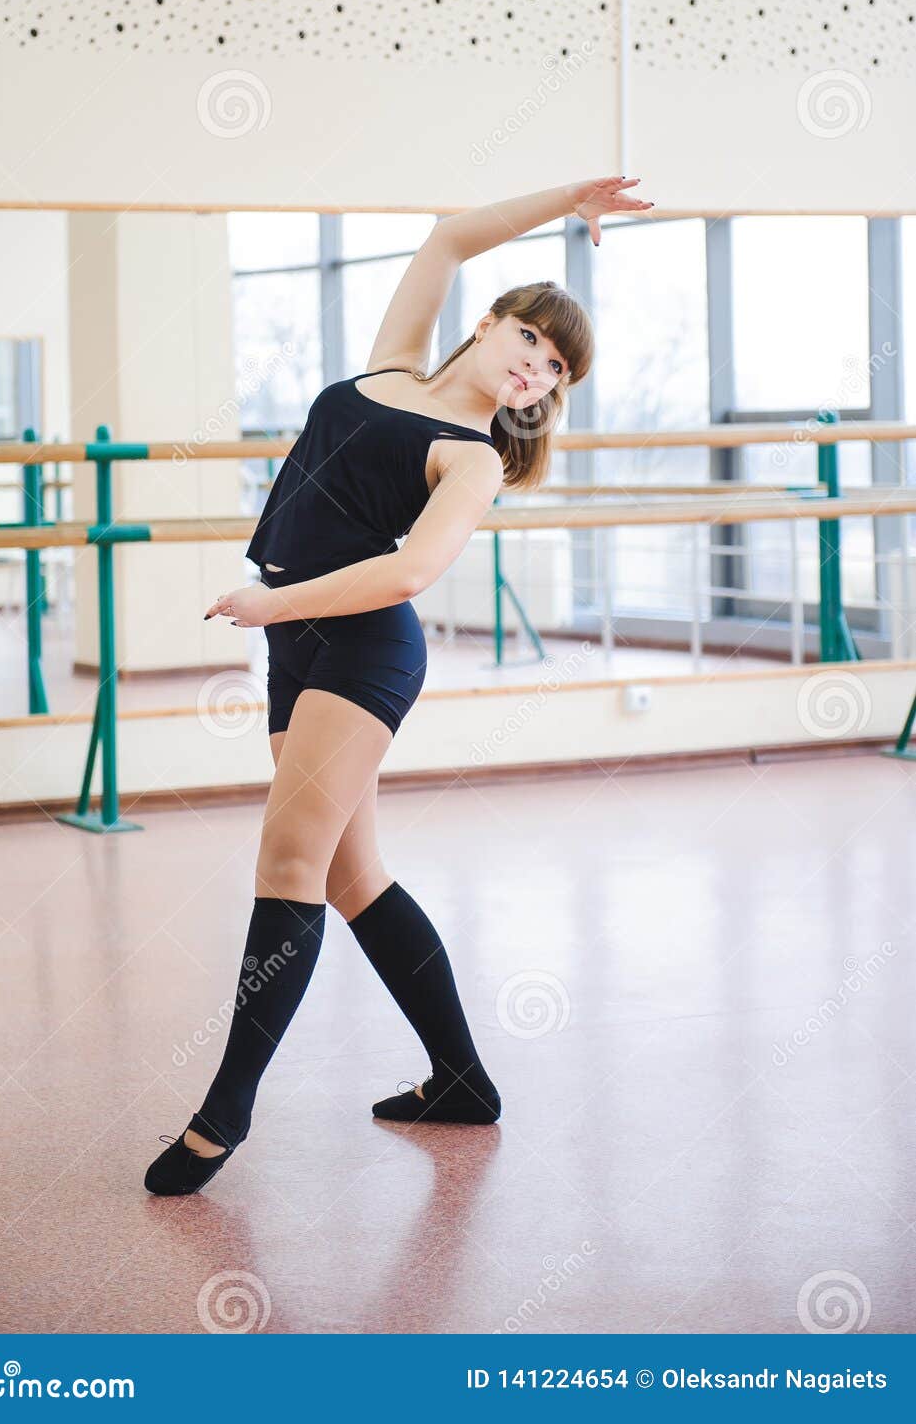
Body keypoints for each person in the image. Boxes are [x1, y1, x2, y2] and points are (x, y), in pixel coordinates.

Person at [145, 175, 653, 1195]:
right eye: (531, 342)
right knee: (350, 875)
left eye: (554, 370)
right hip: (299, 638)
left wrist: (269, 606)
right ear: (492, 322)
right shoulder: (392, 370)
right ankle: (461, 1079)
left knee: (289, 859)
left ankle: (221, 1117)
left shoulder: (472, 459)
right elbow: (450, 234)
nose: (534, 371)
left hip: (363, 646)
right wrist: (570, 198)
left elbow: (411, 573)